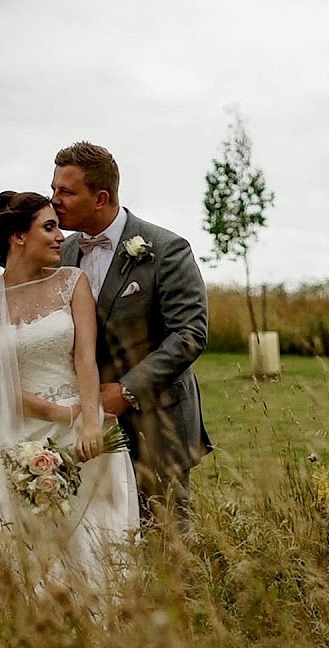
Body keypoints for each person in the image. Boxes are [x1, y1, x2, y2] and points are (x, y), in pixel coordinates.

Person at [0, 190, 138, 592]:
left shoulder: (73, 282)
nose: (60, 237)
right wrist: (56, 413)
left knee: (96, 539)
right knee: (10, 540)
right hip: (18, 434)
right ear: (18, 236)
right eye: (49, 228)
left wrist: (89, 422)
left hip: (82, 430)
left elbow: (85, 360)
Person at [52, 142, 213, 531]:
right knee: (97, 542)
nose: (53, 200)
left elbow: (189, 334)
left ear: (100, 197)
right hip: (84, 429)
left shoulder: (166, 250)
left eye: (66, 192)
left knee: (164, 543)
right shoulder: (60, 252)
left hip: (156, 424)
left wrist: (125, 391)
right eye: (54, 188)